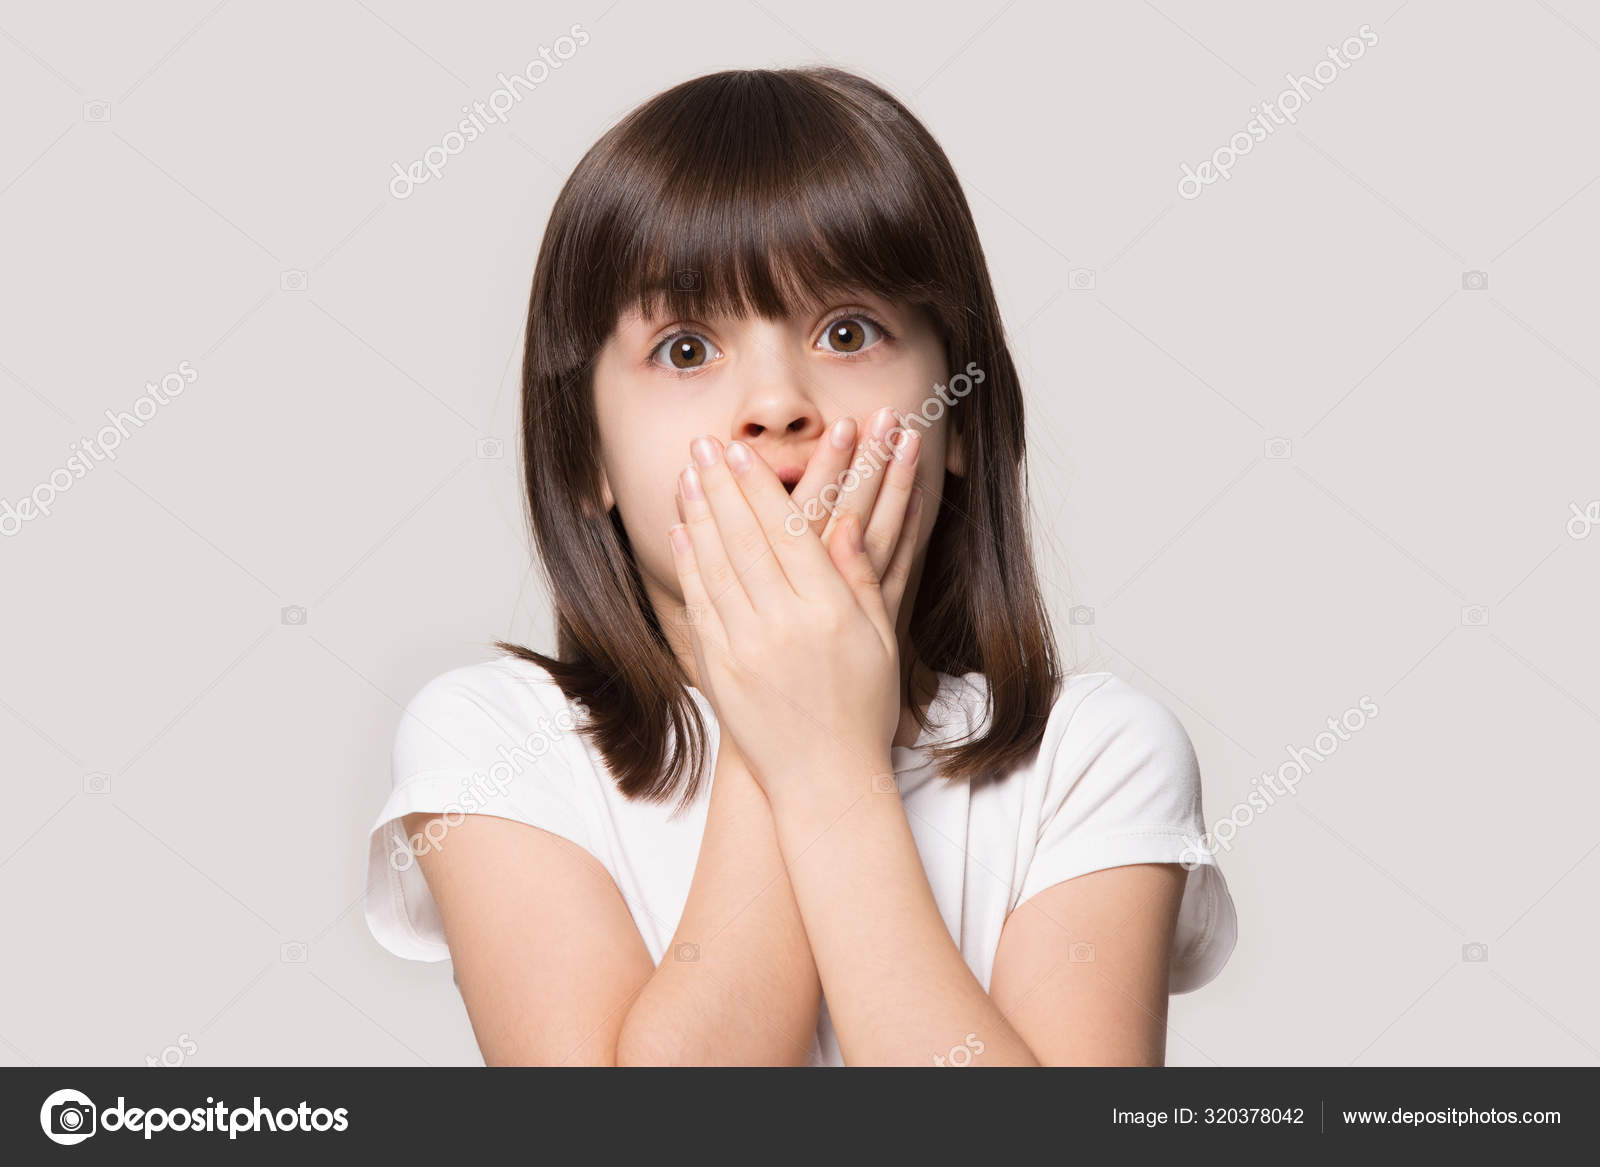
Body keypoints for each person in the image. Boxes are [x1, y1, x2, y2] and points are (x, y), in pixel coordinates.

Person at [363, 65, 1237, 1066]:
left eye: (847, 332)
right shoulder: (496, 743)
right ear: (585, 453)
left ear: (956, 417)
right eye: (686, 350)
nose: (777, 403)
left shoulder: (1090, 756)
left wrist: (832, 769)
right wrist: (783, 711)